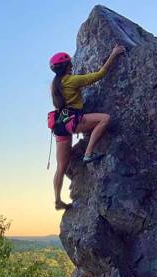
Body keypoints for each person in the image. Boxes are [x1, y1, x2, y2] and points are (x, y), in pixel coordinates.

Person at [49, 45, 125, 210]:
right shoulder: (72, 80)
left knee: (61, 166)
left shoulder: (54, 85)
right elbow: (100, 74)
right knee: (105, 119)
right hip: (74, 121)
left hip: (60, 125)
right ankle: (88, 153)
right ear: (68, 65)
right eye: (70, 62)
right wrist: (113, 54)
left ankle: (57, 200)